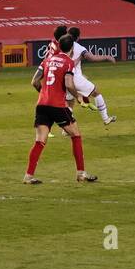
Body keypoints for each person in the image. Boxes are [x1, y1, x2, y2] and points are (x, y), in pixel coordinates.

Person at [25, 34, 96, 185]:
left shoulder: (47, 60)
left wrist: (44, 93)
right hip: (57, 105)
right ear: (71, 48)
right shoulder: (68, 62)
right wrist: (79, 97)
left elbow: (34, 81)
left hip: (42, 104)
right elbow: (69, 84)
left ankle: (28, 176)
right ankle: (81, 173)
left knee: (40, 141)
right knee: (76, 135)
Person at [65, 27, 116, 126]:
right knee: (96, 93)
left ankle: (65, 128)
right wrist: (107, 57)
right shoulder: (79, 48)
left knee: (70, 102)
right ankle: (106, 118)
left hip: (65, 79)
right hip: (75, 78)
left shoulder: (63, 45)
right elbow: (91, 58)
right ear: (78, 37)